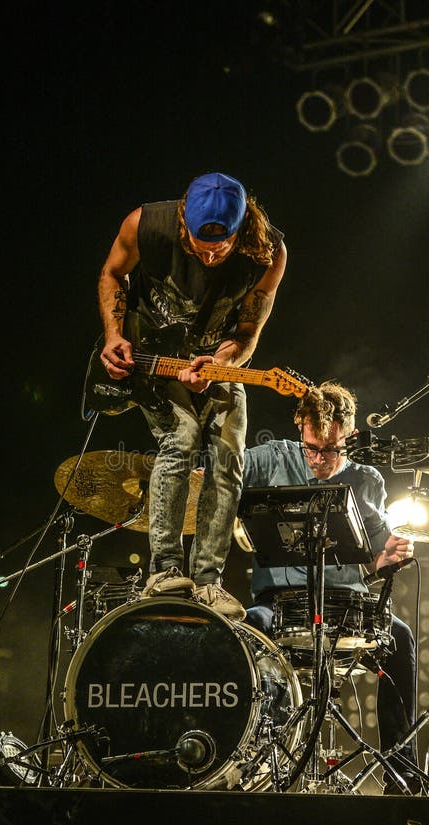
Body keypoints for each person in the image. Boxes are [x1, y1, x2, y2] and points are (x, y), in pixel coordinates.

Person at [97, 172, 287, 619]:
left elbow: (248, 328)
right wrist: (113, 335)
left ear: (243, 227)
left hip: (214, 361)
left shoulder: (269, 253)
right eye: (202, 242)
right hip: (150, 355)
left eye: (222, 244)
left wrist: (227, 361)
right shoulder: (146, 225)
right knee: (180, 439)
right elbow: (112, 273)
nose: (211, 252)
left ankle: (208, 581)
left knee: (229, 454)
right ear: (184, 218)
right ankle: (163, 570)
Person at [242, 380, 419, 791]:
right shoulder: (270, 458)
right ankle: (258, 759)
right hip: (280, 601)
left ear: (350, 437)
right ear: (300, 426)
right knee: (247, 630)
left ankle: (401, 768)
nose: (320, 459)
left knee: (402, 638)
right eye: (312, 448)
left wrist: (388, 555)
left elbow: (373, 558)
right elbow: (224, 474)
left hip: (348, 606)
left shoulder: (368, 478)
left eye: (333, 450)